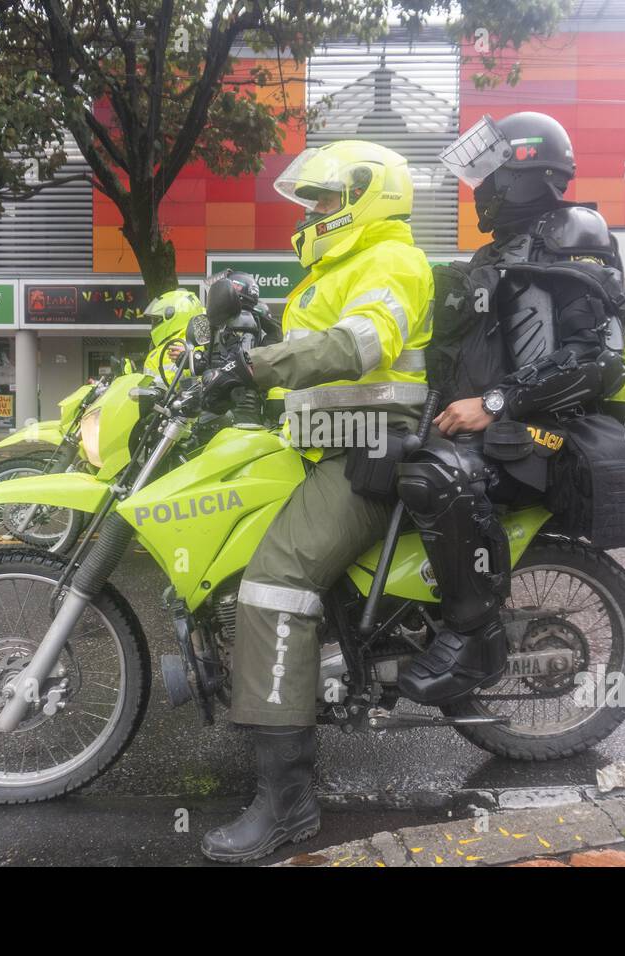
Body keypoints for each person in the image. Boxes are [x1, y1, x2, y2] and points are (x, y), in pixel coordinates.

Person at [196, 140, 432, 863]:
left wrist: (257, 362)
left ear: (368, 196)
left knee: (274, 587)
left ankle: (289, 804)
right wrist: (245, 349)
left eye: (327, 200)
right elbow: (306, 347)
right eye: (316, 202)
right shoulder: (333, 265)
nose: (316, 212)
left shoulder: (391, 259)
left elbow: (358, 345)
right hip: (327, 444)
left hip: (370, 451)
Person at [390, 111, 625, 706]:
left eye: (489, 176)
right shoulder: (493, 255)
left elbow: (598, 360)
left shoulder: (573, 235)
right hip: (496, 426)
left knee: (437, 479)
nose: (480, 190)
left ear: (523, 172)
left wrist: (497, 402)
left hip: (547, 432)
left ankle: (473, 636)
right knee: (376, 460)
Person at [141, 290, 202, 383]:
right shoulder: (200, 339)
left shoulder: (174, 346)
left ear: (170, 316)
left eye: (157, 320)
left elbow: (145, 388)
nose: (154, 324)